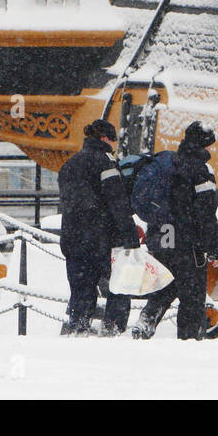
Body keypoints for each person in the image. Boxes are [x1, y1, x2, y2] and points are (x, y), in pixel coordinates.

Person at [131, 121, 218, 340]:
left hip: (161, 237)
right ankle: (188, 339)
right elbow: (206, 214)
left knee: (165, 285)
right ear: (205, 145)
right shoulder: (200, 171)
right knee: (192, 296)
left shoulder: (169, 162)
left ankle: (146, 321)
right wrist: (216, 248)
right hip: (187, 243)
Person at [58, 119, 138, 335]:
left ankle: (77, 328)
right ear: (105, 139)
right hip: (100, 238)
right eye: (113, 141)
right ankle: (112, 331)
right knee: (118, 286)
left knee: (81, 289)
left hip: (72, 237)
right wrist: (130, 236)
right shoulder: (106, 163)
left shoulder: (70, 164)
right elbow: (117, 202)